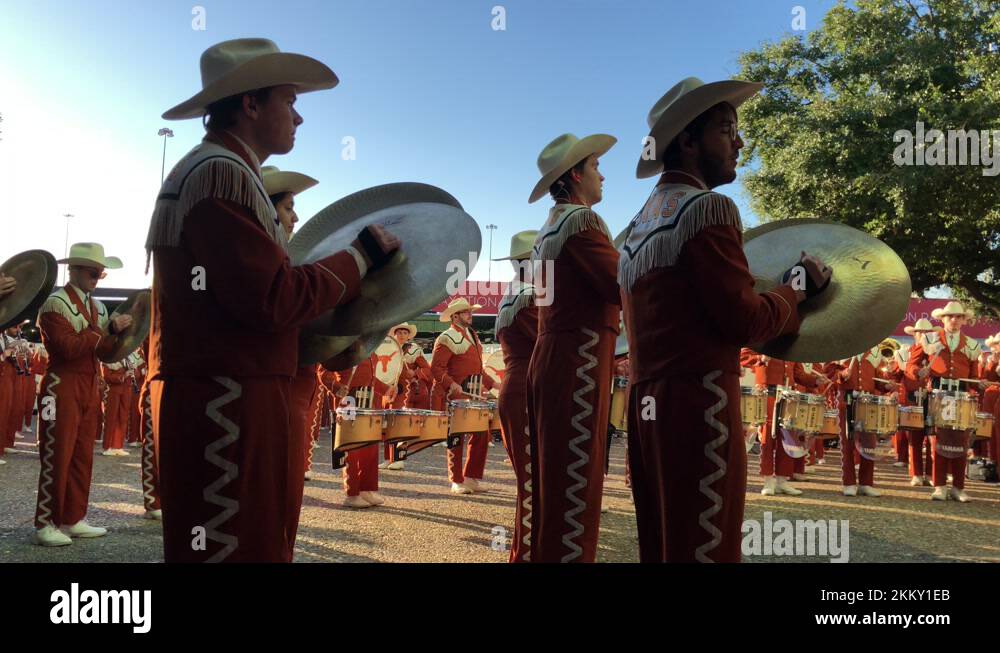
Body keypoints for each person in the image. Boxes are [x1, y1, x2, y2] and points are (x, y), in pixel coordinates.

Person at [145, 38, 400, 562]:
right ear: (251, 104)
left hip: (227, 396)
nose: (299, 117)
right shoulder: (221, 175)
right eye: (290, 100)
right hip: (228, 407)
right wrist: (360, 256)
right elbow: (272, 300)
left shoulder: (218, 170)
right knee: (241, 547)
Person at [618, 77, 831, 562]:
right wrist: (796, 287)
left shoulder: (636, 227)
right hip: (700, 406)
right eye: (726, 130)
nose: (739, 142)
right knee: (706, 545)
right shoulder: (708, 208)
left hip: (647, 406)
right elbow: (746, 323)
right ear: (688, 142)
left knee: (662, 541)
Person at [526, 132, 620, 563]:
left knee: (555, 490)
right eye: (597, 167)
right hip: (578, 362)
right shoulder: (581, 222)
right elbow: (623, 284)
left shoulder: (548, 229)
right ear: (577, 174)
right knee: (575, 491)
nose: (603, 175)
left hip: (555, 356)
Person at [33, 242, 132, 546]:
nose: (97, 277)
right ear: (73, 269)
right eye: (92, 271)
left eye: (100, 273)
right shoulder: (54, 304)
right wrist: (105, 329)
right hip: (60, 384)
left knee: (82, 456)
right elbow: (69, 348)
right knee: (56, 453)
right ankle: (46, 522)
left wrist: (115, 334)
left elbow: (100, 350)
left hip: (89, 384)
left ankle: (73, 517)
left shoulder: (97, 306)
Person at [906, 302, 982, 502]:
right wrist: (917, 372)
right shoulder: (929, 339)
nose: (954, 320)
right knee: (937, 440)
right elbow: (911, 365)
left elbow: (973, 376)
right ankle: (939, 485)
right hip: (938, 394)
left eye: (958, 317)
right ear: (943, 319)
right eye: (950, 317)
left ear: (964, 319)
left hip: (961, 396)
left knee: (961, 440)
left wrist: (979, 384)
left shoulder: (972, 344)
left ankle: (958, 487)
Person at [493, 230, 539, 562]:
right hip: (527, 391)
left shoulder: (514, 294)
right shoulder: (531, 297)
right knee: (535, 483)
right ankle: (525, 554)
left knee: (531, 481)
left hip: (517, 388)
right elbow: (550, 344)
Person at [431, 298, 495, 494]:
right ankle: (456, 480)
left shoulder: (473, 335)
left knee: (481, 435)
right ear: (455, 316)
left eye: (470, 311)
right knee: (456, 437)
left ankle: (471, 477)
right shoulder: (446, 337)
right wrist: (451, 384)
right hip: (457, 395)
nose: (470, 314)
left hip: (475, 393)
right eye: (466, 312)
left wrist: (494, 384)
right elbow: (436, 368)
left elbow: (477, 369)